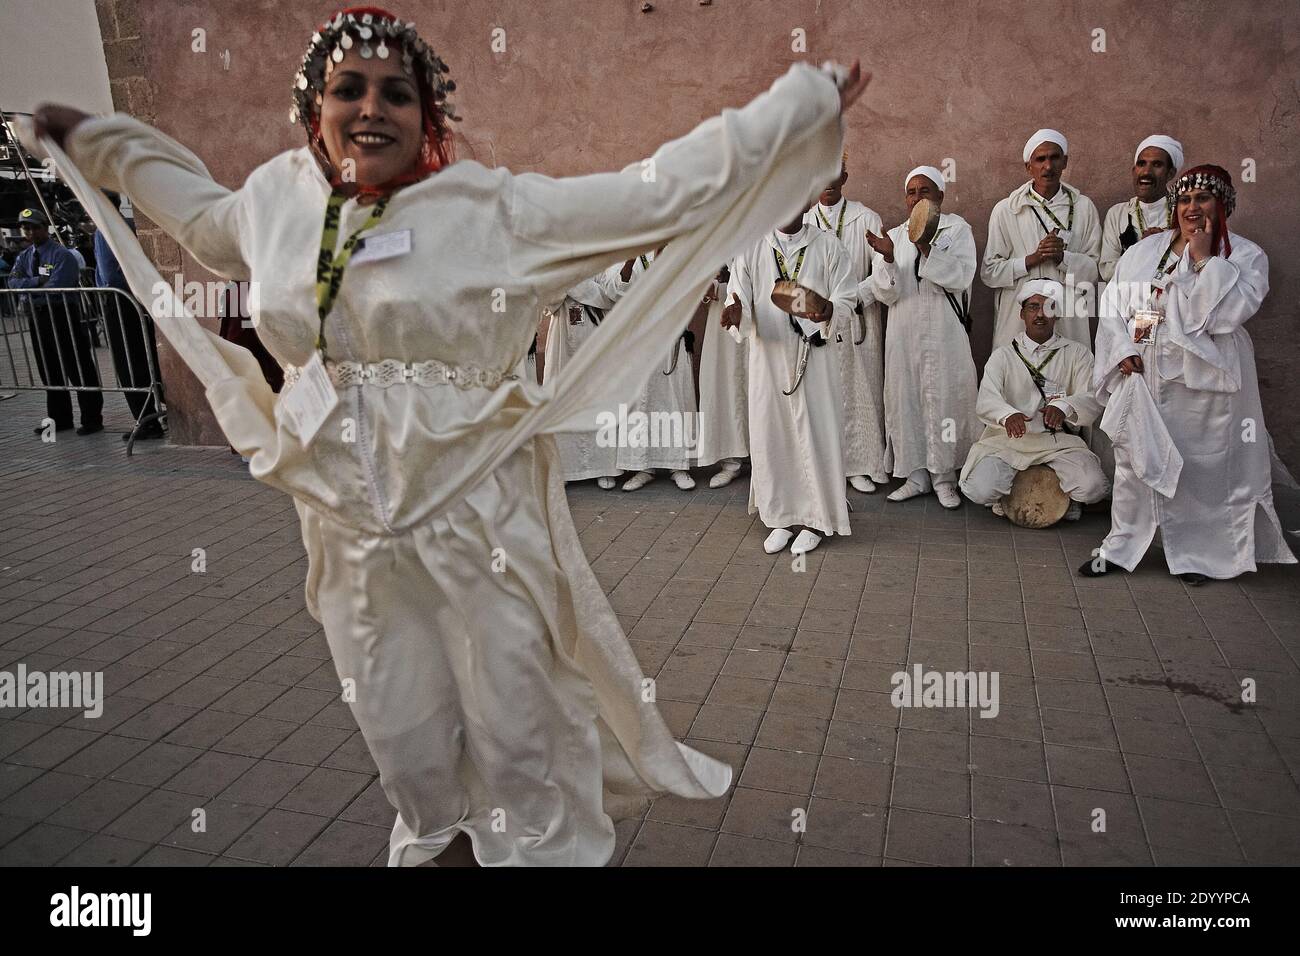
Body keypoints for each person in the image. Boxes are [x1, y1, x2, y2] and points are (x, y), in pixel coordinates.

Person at [28, 6, 867, 866]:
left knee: (518, 734)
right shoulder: (278, 203)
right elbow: (202, 219)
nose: (370, 109)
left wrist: (793, 106)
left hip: (482, 523)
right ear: (313, 107)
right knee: (408, 743)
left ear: (429, 116)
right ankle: (444, 843)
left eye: (397, 93)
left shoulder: (493, 211)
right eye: (347, 89)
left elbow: (655, 190)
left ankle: (544, 853)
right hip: (349, 531)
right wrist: (96, 140)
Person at [1082, 164, 1295, 583]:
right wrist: (1122, 349)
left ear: (1223, 206)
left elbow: (1222, 317)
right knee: (1133, 462)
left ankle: (1203, 554)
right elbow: (1113, 306)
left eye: (1203, 199)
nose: (1192, 208)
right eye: (1185, 199)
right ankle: (1122, 547)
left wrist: (1202, 260)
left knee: (1203, 464)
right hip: (1144, 373)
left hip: (1205, 385)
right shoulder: (1144, 251)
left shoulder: (1245, 256)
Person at [722, 201, 856, 555]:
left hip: (815, 357)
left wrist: (828, 310)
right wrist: (736, 315)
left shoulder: (828, 246)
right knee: (773, 435)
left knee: (816, 433)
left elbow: (848, 297)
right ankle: (779, 517)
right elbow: (739, 297)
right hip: (768, 359)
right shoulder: (752, 247)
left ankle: (815, 519)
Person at [866, 165, 980, 509]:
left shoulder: (956, 230)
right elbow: (886, 293)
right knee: (906, 401)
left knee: (944, 401)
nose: (917, 198)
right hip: (903, 336)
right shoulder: (896, 236)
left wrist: (927, 246)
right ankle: (915, 474)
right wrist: (887, 257)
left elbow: (961, 276)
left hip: (945, 336)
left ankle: (945, 477)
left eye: (925, 191)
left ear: (940, 197)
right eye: (912, 192)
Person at [959, 279, 1108, 519]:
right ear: (1022, 313)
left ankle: (1057, 489)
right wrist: (1007, 415)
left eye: (1048, 307)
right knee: (979, 490)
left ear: (1056, 314)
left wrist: (1064, 406)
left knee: (1094, 488)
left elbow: (1092, 396)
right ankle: (1013, 490)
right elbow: (987, 399)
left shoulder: (1077, 353)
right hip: (1010, 442)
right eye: (1033, 307)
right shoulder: (1003, 355)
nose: (1040, 314)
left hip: (1059, 442)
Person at [805, 152, 888, 493]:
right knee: (824, 393)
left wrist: (850, 299)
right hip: (817, 322)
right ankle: (826, 465)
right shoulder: (805, 222)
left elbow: (882, 272)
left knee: (859, 390)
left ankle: (860, 465)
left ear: (844, 177)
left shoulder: (865, 218)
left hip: (857, 321)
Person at [982, 129, 1102, 348]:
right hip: (1017, 321)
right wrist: (1031, 260)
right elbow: (990, 273)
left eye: (1055, 158)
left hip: (1068, 316)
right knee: (1018, 376)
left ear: (1065, 162)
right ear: (1029, 167)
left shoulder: (1084, 208)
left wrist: (1062, 259)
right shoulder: (1007, 210)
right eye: (1040, 159)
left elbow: (1094, 272)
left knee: (1071, 372)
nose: (1048, 166)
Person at [595, 249, 697, 491]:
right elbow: (612, 291)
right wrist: (630, 259)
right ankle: (641, 467)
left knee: (676, 400)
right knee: (641, 404)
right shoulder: (629, 250)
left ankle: (679, 466)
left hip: (672, 336)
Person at [5, 206, 104, 435]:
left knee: (77, 366)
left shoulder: (61, 255)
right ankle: (60, 418)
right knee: (49, 369)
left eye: (34, 228)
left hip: (62, 315)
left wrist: (32, 286)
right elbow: (13, 283)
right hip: (38, 317)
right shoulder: (24, 256)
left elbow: (58, 286)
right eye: (25, 228)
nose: (30, 232)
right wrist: (37, 282)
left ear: (45, 228)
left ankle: (91, 418)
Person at [94, 191, 166, 440]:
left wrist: (105, 294)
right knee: (142, 358)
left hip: (120, 301)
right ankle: (154, 415)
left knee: (128, 363)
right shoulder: (127, 224)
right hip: (134, 300)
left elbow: (109, 274)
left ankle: (145, 419)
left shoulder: (106, 229)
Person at [541, 276, 623, 488]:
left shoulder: (603, 261)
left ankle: (604, 467)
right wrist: (584, 289)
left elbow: (610, 296)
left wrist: (571, 285)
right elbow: (548, 298)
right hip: (562, 336)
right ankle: (565, 468)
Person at [1099, 135, 1182, 283]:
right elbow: (1108, 271)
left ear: (1171, 173)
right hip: (1127, 301)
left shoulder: (1184, 213)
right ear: (1133, 171)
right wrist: (1142, 250)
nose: (1146, 172)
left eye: (1157, 165)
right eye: (1141, 164)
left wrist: (1163, 246)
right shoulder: (1117, 214)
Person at [694, 264, 749, 488]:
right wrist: (714, 283)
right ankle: (730, 459)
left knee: (762, 385)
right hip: (724, 316)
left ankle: (765, 458)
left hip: (762, 313)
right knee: (727, 382)